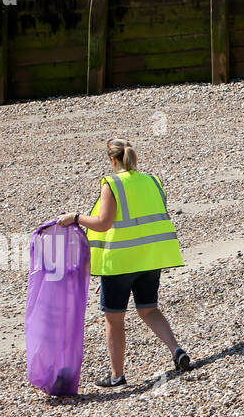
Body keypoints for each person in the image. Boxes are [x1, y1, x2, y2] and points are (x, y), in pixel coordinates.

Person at [57, 139, 190, 387]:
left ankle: (117, 375)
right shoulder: (152, 181)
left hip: (119, 262)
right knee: (148, 309)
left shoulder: (112, 184)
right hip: (151, 258)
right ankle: (176, 350)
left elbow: (103, 223)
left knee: (114, 318)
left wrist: (74, 217)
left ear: (112, 160)